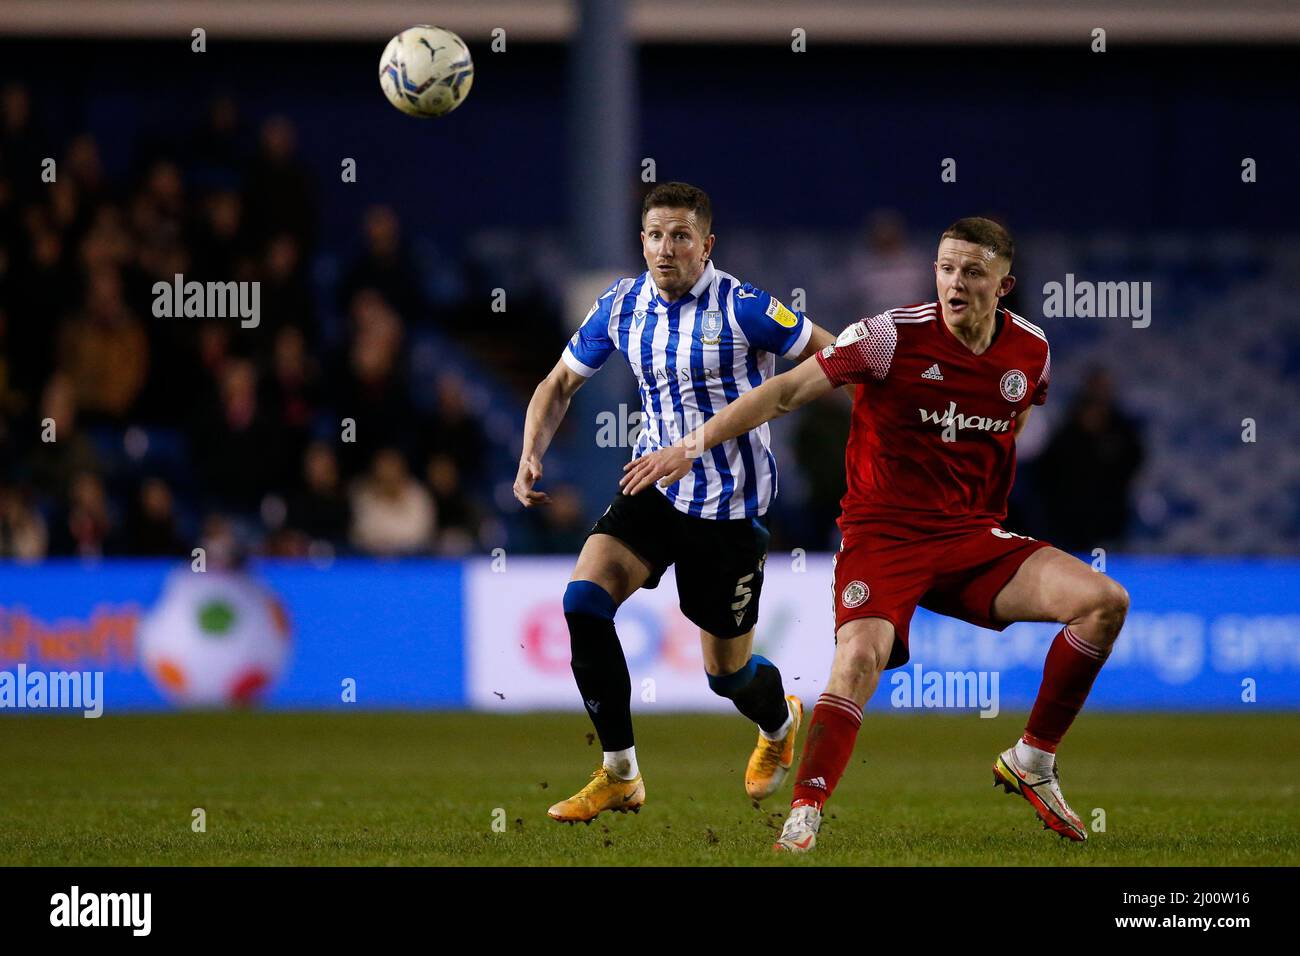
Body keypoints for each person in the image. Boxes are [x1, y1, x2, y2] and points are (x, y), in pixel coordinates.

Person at [623, 217, 1130, 852]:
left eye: (973, 272)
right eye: (945, 268)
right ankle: (805, 814)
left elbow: (1022, 409)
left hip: (973, 537)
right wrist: (692, 444)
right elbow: (783, 393)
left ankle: (1032, 759)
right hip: (883, 538)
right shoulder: (888, 337)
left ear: (1004, 284)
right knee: (859, 658)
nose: (954, 282)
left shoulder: (1031, 350)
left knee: (1104, 603)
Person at [514, 182, 839, 823]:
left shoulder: (745, 307)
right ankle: (621, 773)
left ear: (706, 244)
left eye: (682, 236)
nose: (667, 249)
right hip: (654, 488)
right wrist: (530, 451)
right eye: (656, 236)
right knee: (583, 600)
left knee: (727, 675)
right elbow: (557, 385)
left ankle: (778, 723)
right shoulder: (621, 305)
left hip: (730, 510)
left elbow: (834, 358)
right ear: (642, 241)